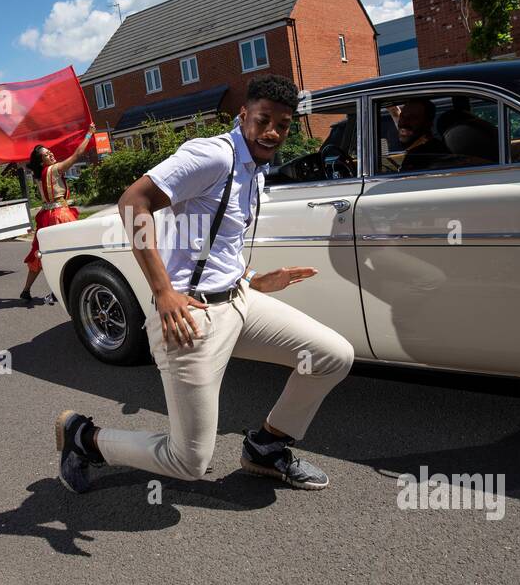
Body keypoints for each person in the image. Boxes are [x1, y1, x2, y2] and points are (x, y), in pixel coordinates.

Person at [53, 74, 355, 494]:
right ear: (243, 115)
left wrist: (252, 279)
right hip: (190, 316)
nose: (272, 131)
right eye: (264, 119)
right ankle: (86, 439)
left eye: (283, 125)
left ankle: (267, 446)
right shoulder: (212, 156)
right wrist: (162, 292)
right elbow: (132, 202)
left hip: (238, 302)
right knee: (189, 461)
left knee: (332, 356)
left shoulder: (255, 169)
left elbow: (212, 241)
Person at [20, 121, 96, 302]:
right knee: (73, 250)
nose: (51, 154)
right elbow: (77, 155)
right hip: (60, 215)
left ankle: (26, 290)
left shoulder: (39, 174)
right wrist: (89, 134)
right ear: (42, 160)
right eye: (47, 154)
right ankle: (60, 289)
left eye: (50, 152)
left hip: (46, 216)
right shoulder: (53, 170)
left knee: (41, 252)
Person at [389, 99, 448, 172]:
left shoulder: (428, 155)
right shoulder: (415, 149)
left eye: (413, 117)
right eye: (402, 116)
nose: (404, 122)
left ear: (428, 123)